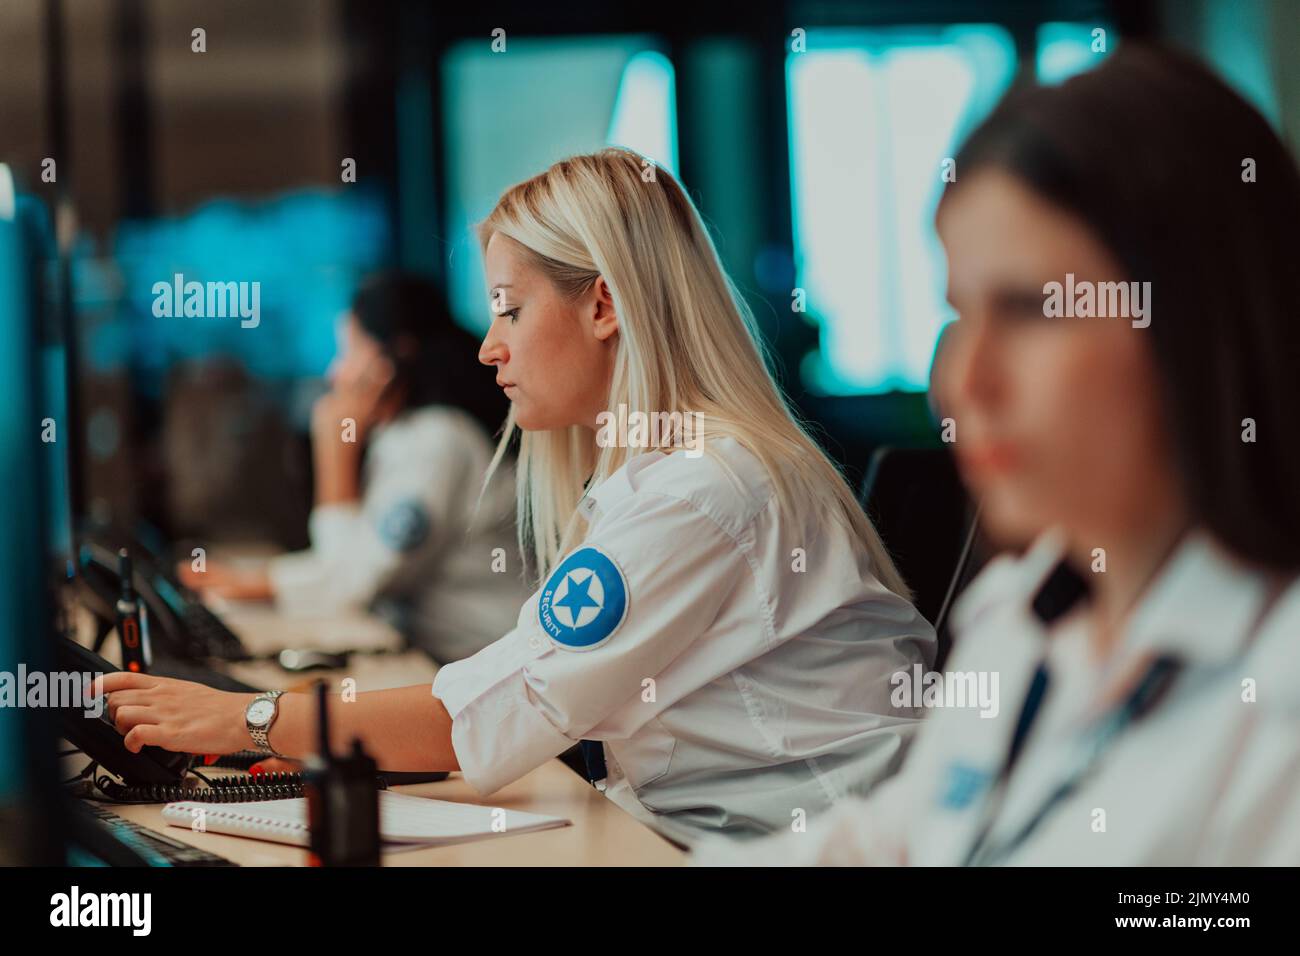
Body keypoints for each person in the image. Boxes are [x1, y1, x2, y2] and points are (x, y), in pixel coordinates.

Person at [100, 149, 935, 846]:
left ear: (602, 304)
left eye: (509, 310)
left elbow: (501, 708)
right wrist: (308, 728)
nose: (490, 348)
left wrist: (246, 721)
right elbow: (515, 693)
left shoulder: (703, 487)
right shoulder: (660, 472)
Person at [693, 45, 1300, 865]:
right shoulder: (1025, 613)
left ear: (1199, 326)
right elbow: (887, 842)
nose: (962, 382)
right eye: (959, 313)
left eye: (1030, 309)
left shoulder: (1276, 689)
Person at [179, 273, 528, 664]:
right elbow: (355, 561)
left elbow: (352, 583)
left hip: (484, 660)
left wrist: (334, 452)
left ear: (389, 362)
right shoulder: (410, 434)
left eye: (348, 352)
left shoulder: (436, 441)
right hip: (447, 658)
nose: (335, 373)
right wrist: (251, 582)